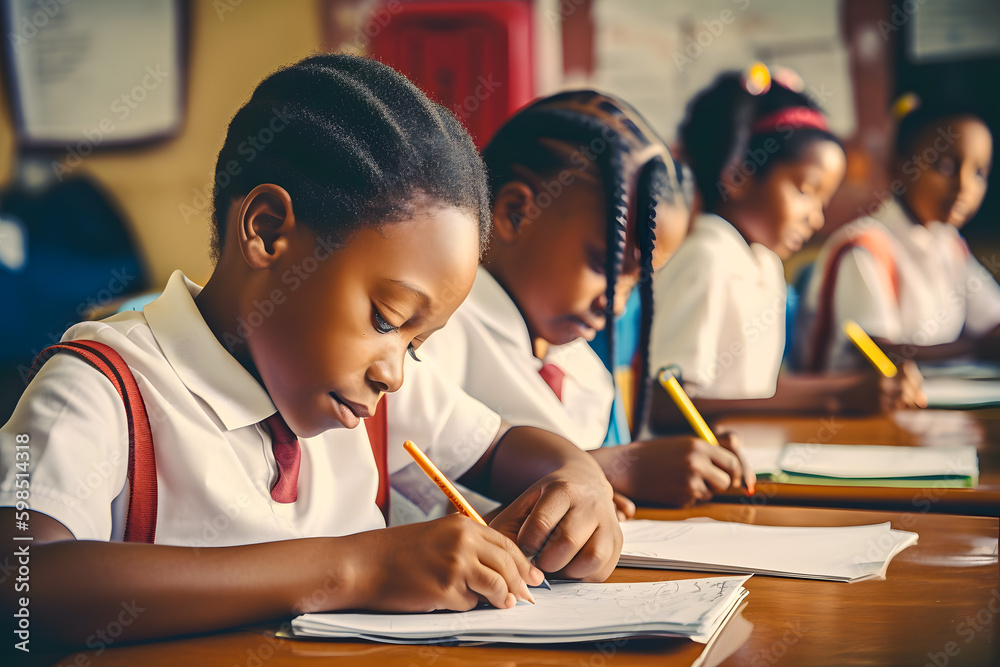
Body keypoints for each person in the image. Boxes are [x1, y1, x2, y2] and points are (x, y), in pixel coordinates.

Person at [0, 54, 620, 648]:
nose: (395, 372)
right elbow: (20, 584)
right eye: (387, 318)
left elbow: (508, 448)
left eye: (418, 344)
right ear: (268, 231)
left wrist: (580, 481)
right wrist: (352, 569)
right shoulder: (103, 388)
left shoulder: (368, 395)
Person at [410, 90, 752, 511]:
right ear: (516, 213)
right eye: (603, 265)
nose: (617, 305)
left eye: (634, 283)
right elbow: (413, 501)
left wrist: (688, 463)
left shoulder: (579, 363)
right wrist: (616, 469)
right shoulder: (429, 336)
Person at [646, 66, 923, 432]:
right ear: (738, 176)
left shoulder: (763, 261)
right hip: (696, 475)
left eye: (825, 201)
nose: (818, 219)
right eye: (807, 191)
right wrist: (835, 398)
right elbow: (668, 404)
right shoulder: (707, 255)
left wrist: (857, 389)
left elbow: (754, 392)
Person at [798, 95, 1000, 371]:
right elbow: (877, 354)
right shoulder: (864, 246)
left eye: (979, 173)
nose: (964, 185)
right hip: (852, 410)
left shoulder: (949, 245)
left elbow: (991, 320)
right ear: (898, 168)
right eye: (946, 167)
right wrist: (975, 348)